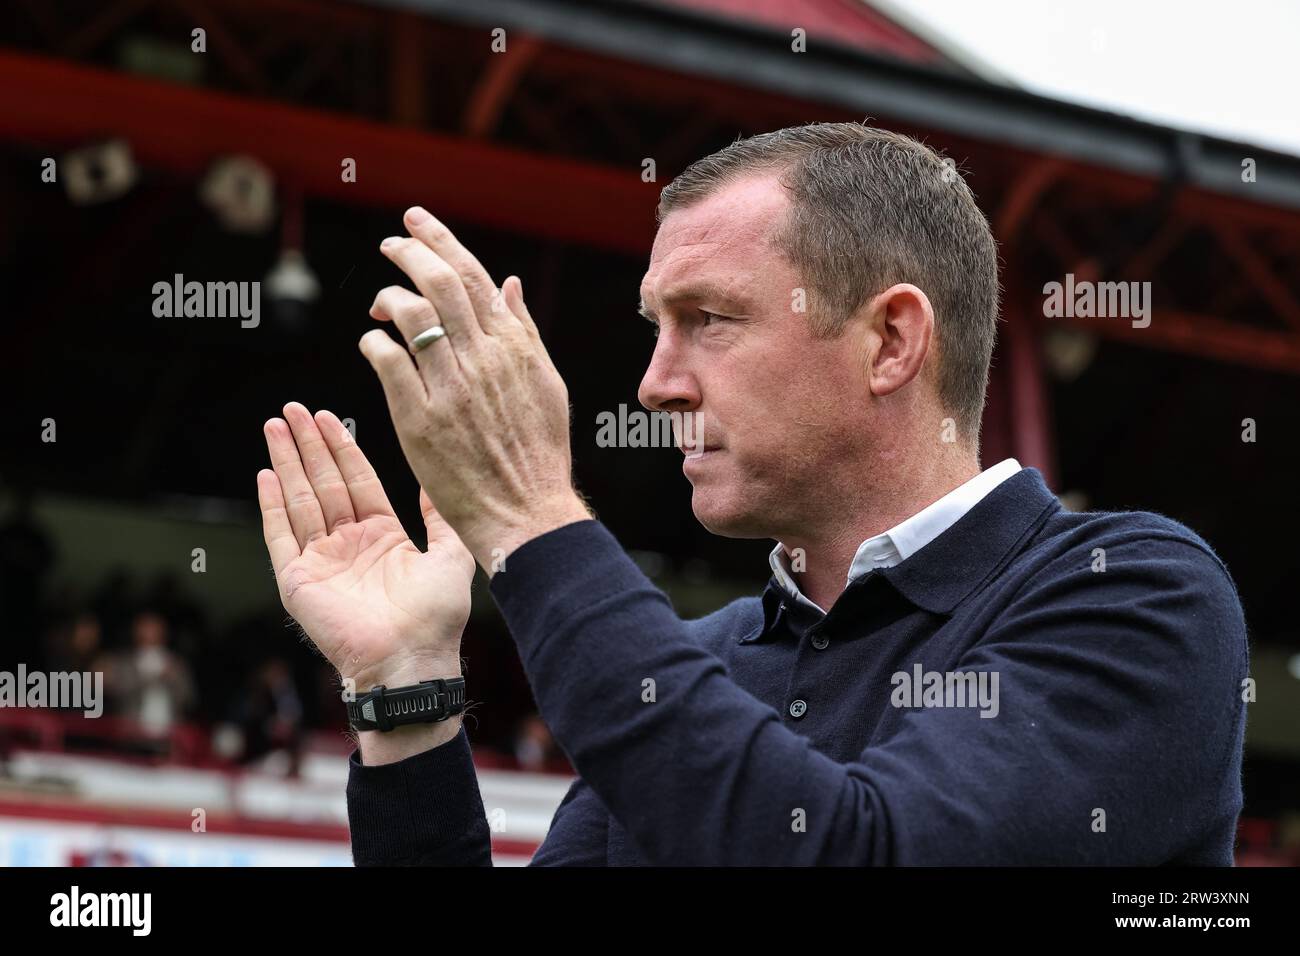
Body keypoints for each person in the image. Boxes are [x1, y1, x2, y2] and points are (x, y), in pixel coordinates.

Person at [256, 123, 1247, 865]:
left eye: (708, 318)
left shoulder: (1137, 594)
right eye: (656, 324)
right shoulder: (702, 661)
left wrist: (532, 522)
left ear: (891, 341)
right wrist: (408, 692)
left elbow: (855, 852)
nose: (655, 381)